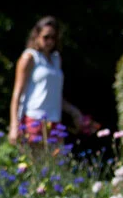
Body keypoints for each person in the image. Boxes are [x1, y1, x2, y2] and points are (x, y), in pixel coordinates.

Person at [8, 16, 83, 145]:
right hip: (34, 119)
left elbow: (53, 94)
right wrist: (14, 126)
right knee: (35, 164)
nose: (49, 41)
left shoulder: (56, 59)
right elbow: (17, 94)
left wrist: (73, 111)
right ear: (37, 36)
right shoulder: (29, 57)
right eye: (46, 37)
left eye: (53, 38)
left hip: (54, 120)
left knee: (56, 164)